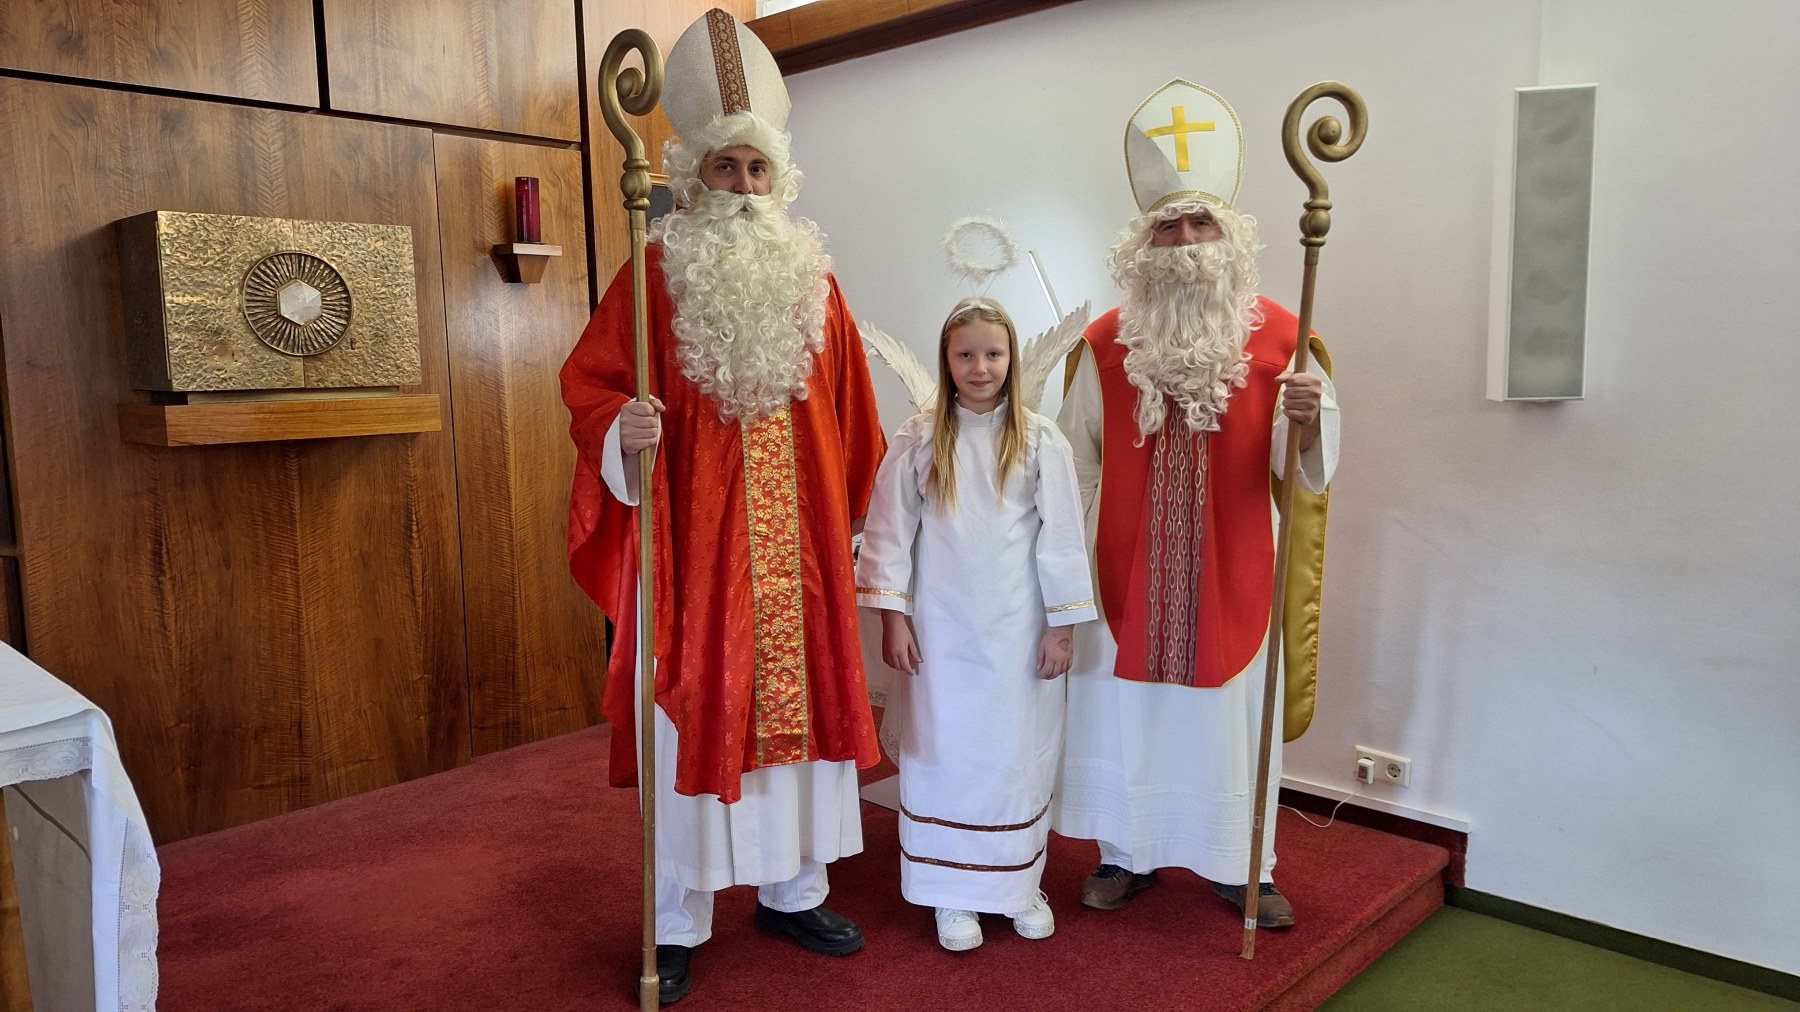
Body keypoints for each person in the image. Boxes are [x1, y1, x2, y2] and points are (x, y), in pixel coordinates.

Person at [559, 9, 885, 1003]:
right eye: (724, 170)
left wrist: (849, 530)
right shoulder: (652, 275)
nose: (745, 190)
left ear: (777, 180)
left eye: (758, 172)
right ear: (690, 175)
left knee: (806, 726)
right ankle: (678, 918)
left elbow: (855, 417)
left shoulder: (816, 286)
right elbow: (591, 388)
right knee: (691, 717)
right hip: (694, 559)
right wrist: (624, 429)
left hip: (802, 562)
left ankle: (794, 890)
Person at [1050, 79, 1341, 929]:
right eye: (1166, 226)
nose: (1183, 242)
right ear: (1142, 243)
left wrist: (1308, 417)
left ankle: (1239, 863)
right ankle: (1122, 854)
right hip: (1126, 571)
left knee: (1225, 722)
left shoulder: (1287, 339)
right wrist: (1068, 579)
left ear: (1229, 234)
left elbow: (1311, 470)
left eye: (1199, 222)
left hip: (1235, 568)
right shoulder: (1105, 344)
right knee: (1125, 717)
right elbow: (1074, 465)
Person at [855, 298, 1096, 952]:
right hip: (942, 631)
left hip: (1020, 631)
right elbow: (887, 535)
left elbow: (1064, 539)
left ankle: (1020, 885)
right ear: (947, 360)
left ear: (1012, 357)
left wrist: (1061, 626)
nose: (980, 366)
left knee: (1019, 752)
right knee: (946, 753)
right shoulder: (917, 437)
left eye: (993, 353)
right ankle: (948, 893)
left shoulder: (1042, 437)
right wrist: (893, 620)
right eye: (966, 354)